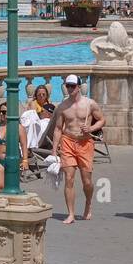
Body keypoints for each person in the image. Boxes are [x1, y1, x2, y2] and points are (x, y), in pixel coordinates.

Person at [43, 74, 106, 223]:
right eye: (67, 86)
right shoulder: (63, 107)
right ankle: (71, 214)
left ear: (79, 87)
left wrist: (90, 128)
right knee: (69, 179)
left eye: (72, 86)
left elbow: (102, 120)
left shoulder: (90, 104)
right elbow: (58, 129)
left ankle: (88, 203)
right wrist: (54, 150)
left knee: (87, 181)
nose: (70, 88)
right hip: (68, 142)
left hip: (85, 143)